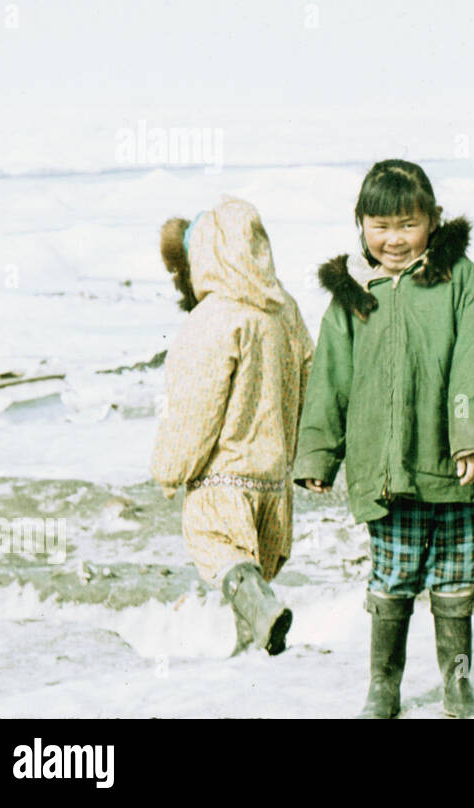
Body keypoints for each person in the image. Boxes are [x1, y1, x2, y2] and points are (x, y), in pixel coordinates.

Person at [292, 160, 474, 719]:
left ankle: (458, 685)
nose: (394, 239)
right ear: (359, 223)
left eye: (407, 224)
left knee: (456, 580)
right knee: (393, 579)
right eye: (379, 225)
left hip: (450, 466)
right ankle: (383, 685)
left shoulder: (461, 280)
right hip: (387, 470)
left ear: (432, 221)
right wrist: (318, 452)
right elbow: (330, 379)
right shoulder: (353, 294)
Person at [152, 195, 313, 657]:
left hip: (224, 480)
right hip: (273, 481)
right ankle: (253, 646)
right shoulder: (286, 310)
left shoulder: (213, 319)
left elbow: (194, 409)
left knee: (217, 548)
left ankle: (261, 621)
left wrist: (169, 468)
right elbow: (307, 379)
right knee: (254, 570)